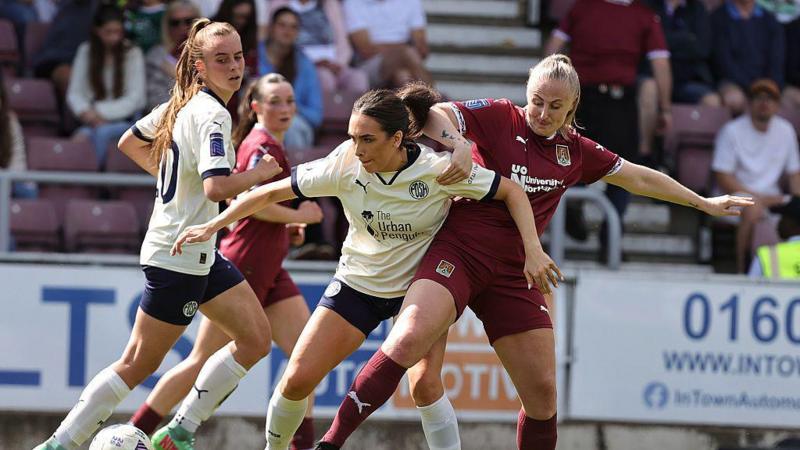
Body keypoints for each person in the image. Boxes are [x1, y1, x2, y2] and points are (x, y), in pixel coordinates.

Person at [314, 54, 753, 450]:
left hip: (516, 271)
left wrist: (704, 203)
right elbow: (434, 113)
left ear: (572, 106)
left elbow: (637, 177)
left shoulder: (575, 152)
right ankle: (330, 444)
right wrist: (460, 143)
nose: (542, 114)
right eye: (537, 101)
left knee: (542, 394)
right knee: (409, 348)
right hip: (458, 253)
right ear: (527, 94)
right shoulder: (501, 116)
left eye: (555, 106)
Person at [172, 83, 554, 450]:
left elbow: (511, 191)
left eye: (367, 139)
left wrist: (533, 249)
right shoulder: (345, 164)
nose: (357, 148)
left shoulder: (438, 170)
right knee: (295, 382)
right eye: (353, 137)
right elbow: (271, 191)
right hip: (358, 285)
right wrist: (211, 225)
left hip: (419, 290)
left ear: (398, 138)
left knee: (425, 385)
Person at [33, 18, 282, 450]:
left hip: (199, 248)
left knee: (256, 339)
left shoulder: (183, 104)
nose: (234, 66)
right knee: (137, 362)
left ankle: (179, 431)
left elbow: (129, 141)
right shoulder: (212, 114)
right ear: (200, 67)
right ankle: (59, 444)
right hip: (177, 255)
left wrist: (175, 182)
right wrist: (258, 174)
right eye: (221, 59)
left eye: (238, 57)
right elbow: (216, 187)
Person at [130, 73, 323, 450]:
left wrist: (288, 229)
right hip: (246, 263)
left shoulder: (269, 146)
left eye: (289, 101)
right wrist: (304, 217)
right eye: (274, 101)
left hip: (271, 267)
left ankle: (300, 445)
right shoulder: (260, 146)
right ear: (256, 108)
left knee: (308, 360)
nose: (284, 109)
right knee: (201, 360)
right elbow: (243, 203)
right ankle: (142, 431)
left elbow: (263, 208)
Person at [543, 0, 672, 245]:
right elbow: (661, 65)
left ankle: (573, 210)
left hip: (580, 99)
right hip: (619, 101)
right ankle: (611, 236)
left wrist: (549, 91)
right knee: (622, 169)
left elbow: (553, 47)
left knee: (572, 160)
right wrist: (665, 109)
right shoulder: (643, 15)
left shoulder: (582, 8)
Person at [712, 78, 800, 273]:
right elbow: (722, 176)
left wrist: (797, 202)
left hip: (773, 198)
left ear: (777, 105)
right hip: (736, 196)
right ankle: (742, 270)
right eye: (759, 97)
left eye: (770, 98)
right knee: (752, 208)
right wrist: (757, 199)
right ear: (749, 103)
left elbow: (795, 174)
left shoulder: (786, 131)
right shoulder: (732, 131)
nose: (764, 103)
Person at [66, 4, 146, 169]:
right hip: (90, 121)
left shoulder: (132, 53)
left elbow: (136, 99)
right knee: (80, 138)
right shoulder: (85, 51)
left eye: (118, 32)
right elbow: (74, 93)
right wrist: (86, 112)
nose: (114, 38)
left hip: (126, 121)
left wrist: (100, 112)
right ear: (97, 30)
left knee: (102, 133)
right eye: (108, 32)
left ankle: (97, 182)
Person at [269, 0, 369, 94]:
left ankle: (358, 112)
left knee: (358, 78)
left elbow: (343, 42)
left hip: (334, 65)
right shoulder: (280, 3)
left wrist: (338, 64)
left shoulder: (330, 4)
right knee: (324, 78)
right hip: (302, 64)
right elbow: (277, 39)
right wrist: (311, 64)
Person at [258, 6, 322, 150]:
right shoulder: (252, 56)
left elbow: (316, 116)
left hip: (293, 124)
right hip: (258, 117)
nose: (287, 31)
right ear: (271, 27)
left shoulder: (305, 64)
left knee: (290, 126)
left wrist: (290, 107)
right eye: (282, 25)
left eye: (293, 27)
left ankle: (292, 172)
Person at [710, 0, 785, 116]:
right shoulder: (718, 18)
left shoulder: (770, 20)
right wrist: (752, 89)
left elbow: (776, 61)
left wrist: (767, 87)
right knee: (735, 99)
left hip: (765, 84)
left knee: (780, 101)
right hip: (732, 82)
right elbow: (723, 63)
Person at [343, 0, 432, 89]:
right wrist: (402, 51)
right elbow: (366, 50)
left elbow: (422, 50)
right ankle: (434, 97)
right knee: (406, 54)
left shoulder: (411, 2)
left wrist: (403, 53)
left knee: (403, 76)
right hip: (367, 66)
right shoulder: (353, 3)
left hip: (405, 62)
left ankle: (426, 98)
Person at [144, 0, 200, 110]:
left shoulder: (211, 53)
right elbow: (154, 102)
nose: (183, 27)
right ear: (167, 25)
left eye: (188, 21)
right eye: (175, 23)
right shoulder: (155, 57)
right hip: (169, 118)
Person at [749, 196, 800, 278]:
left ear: (793, 223)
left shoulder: (767, 255)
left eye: (783, 218)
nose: (779, 222)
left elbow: (751, 288)